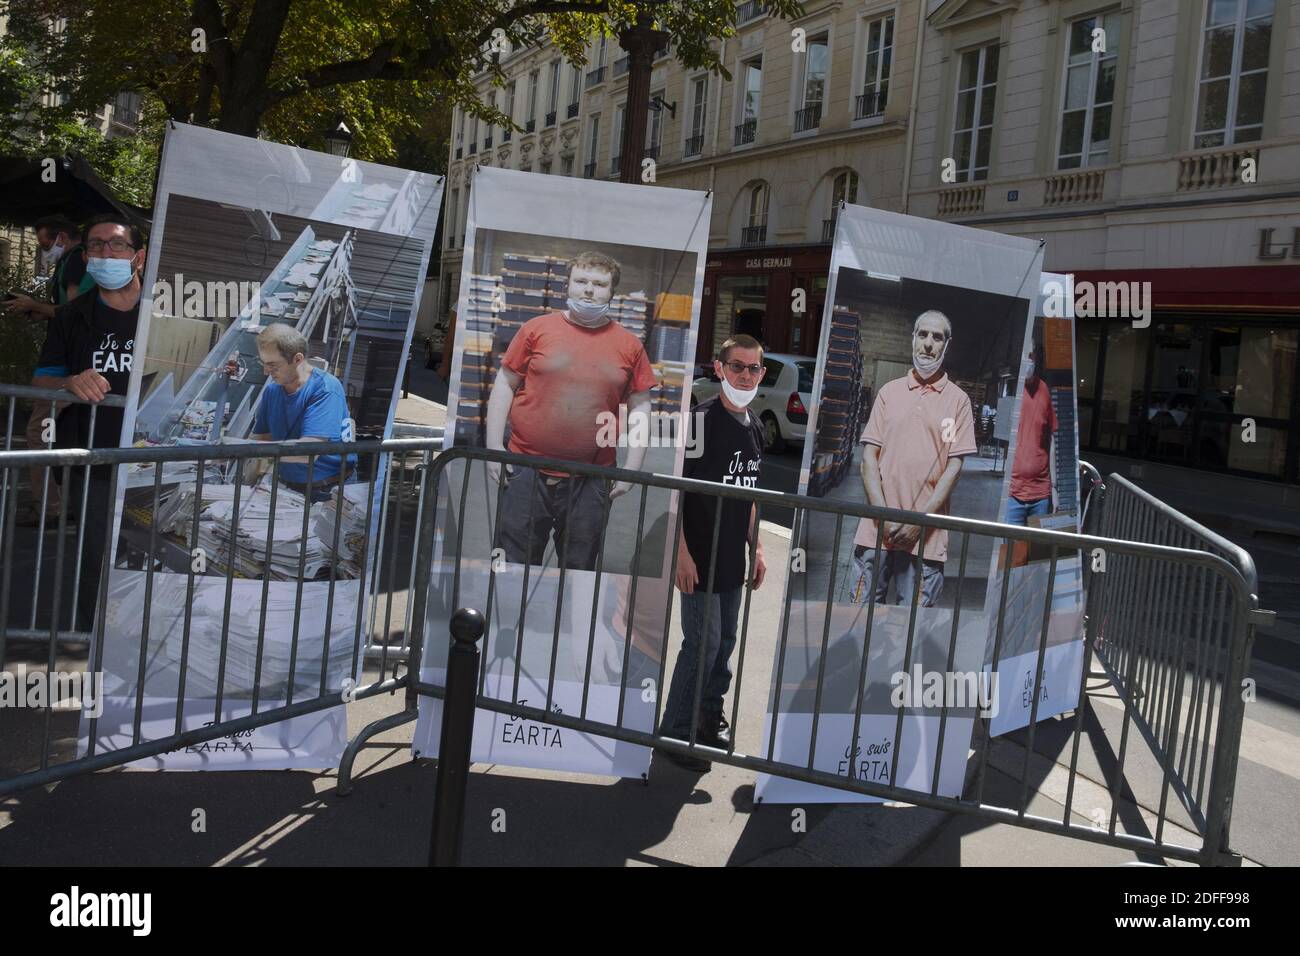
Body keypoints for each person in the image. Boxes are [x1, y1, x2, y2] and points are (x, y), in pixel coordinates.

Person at [485, 251, 656, 571]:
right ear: (567, 285)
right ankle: (504, 620)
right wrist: (494, 447)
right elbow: (504, 384)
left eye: (599, 284)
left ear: (612, 292)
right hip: (524, 469)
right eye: (581, 281)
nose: (589, 290)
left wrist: (632, 467)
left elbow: (640, 407)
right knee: (509, 563)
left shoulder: (630, 345)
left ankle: (565, 622)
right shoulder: (536, 329)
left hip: (592, 478)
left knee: (579, 569)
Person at [654, 334, 767, 773]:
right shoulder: (699, 422)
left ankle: (706, 721)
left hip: (730, 561)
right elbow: (673, 494)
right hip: (697, 556)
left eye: (754, 368)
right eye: (737, 366)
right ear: (720, 369)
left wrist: (756, 547)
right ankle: (675, 733)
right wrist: (680, 553)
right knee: (701, 643)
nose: (746, 375)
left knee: (724, 644)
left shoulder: (755, 426)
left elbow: (750, 493)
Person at [29, 213, 146, 632]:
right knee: (95, 558)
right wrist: (70, 381)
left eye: (116, 245)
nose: (104, 252)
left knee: (153, 557)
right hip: (93, 458)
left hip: (155, 462)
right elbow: (42, 380)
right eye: (95, 246)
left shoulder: (160, 311)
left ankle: (152, 645)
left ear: (138, 256)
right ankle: (97, 646)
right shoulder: (71, 316)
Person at [850, 310, 976, 608]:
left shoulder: (957, 401)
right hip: (875, 532)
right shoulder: (889, 393)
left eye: (937, 337)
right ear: (913, 339)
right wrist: (883, 515)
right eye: (923, 335)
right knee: (859, 618)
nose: (929, 344)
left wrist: (918, 523)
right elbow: (869, 458)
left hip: (926, 539)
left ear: (947, 344)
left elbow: (953, 468)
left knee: (912, 626)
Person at [5, 215, 97, 525]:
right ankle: (56, 504)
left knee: (38, 435)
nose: (46, 251)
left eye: (46, 245)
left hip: (61, 368)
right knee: (51, 435)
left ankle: (49, 507)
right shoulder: (73, 263)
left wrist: (34, 305)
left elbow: (70, 312)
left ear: (62, 237)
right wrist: (38, 312)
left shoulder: (74, 261)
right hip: (65, 364)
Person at [249, 323, 356, 502]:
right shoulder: (272, 392)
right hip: (287, 485)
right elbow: (263, 441)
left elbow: (309, 451)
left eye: (273, 365)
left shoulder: (326, 389)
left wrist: (244, 449)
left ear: (297, 359)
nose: (266, 371)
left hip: (328, 490)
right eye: (263, 363)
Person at [1007, 340, 1058, 525]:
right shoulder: (1012, 391)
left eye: (1031, 356)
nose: (1028, 361)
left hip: (1040, 495)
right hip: (1013, 495)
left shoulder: (1044, 391)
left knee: (1033, 552)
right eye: (1024, 356)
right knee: (1010, 551)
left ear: (1035, 356)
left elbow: (1051, 441)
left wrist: (1054, 488)